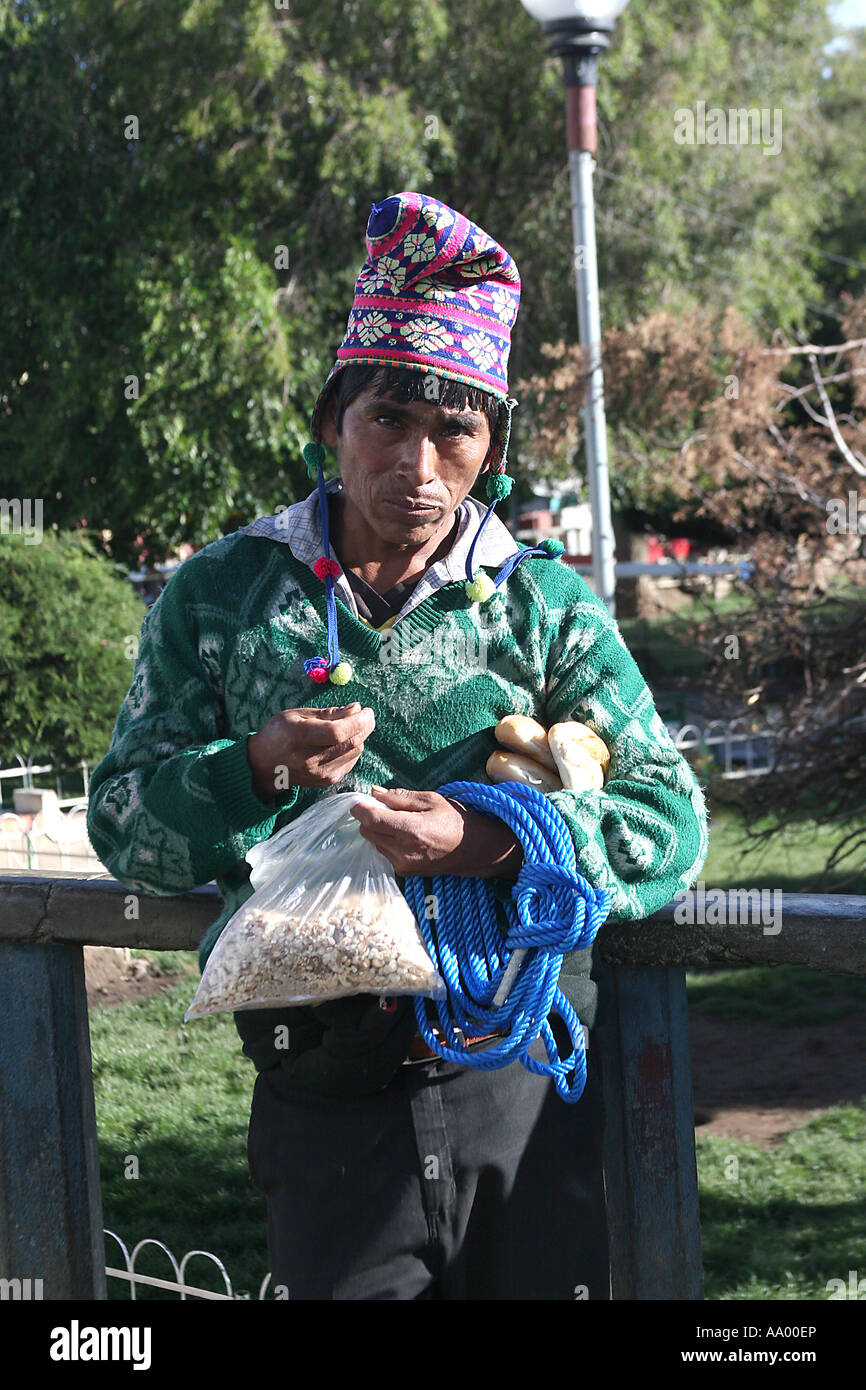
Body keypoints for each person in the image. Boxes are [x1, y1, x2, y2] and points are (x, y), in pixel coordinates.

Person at [86, 190, 708, 1301]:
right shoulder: (225, 598)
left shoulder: (544, 610)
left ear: (491, 453)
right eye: (387, 420)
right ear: (332, 421)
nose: (417, 463)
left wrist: (491, 838)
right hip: (320, 1085)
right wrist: (257, 765)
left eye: (454, 430)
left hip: (524, 1088)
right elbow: (126, 827)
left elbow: (670, 824)